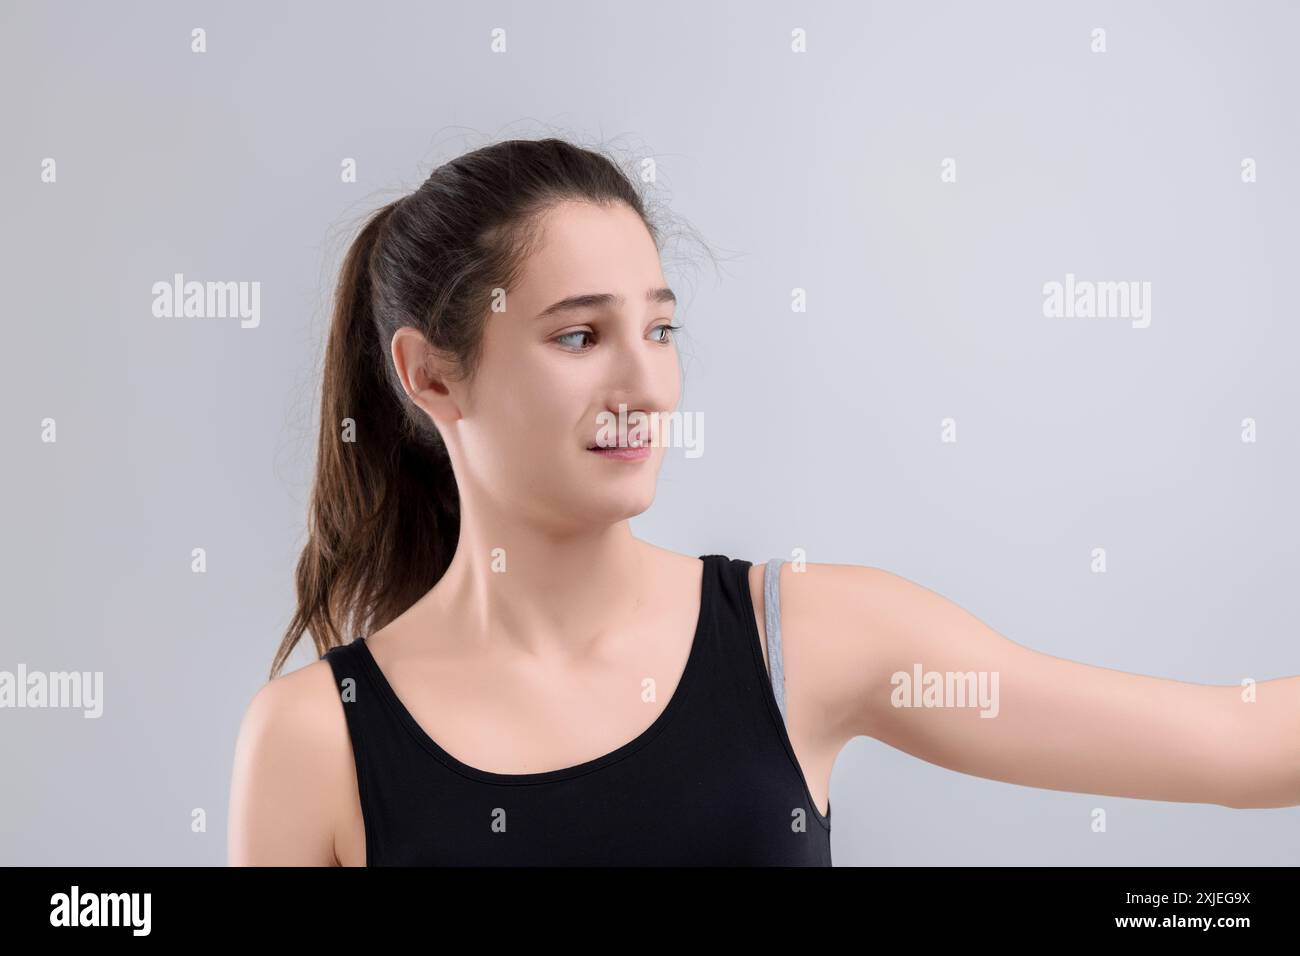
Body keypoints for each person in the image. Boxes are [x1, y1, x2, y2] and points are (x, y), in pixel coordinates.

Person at [227, 137, 1300, 867]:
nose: (645, 384)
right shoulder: (316, 739)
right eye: (578, 335)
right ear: (431, 376)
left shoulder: (802, 638)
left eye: (658, 328)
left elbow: (1234, 745)